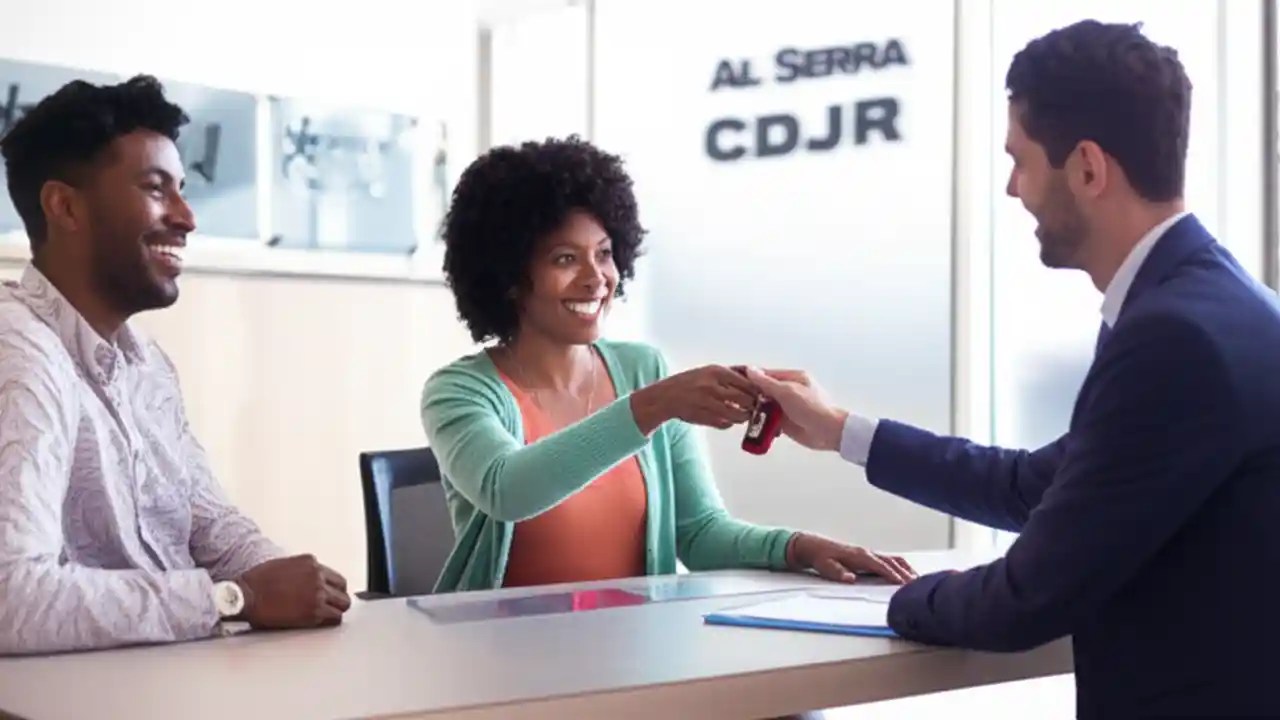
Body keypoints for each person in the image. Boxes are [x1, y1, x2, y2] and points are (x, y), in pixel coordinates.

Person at [744, 20, 1280, 719]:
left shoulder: (1173, 339)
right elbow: (1038, 484)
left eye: (1020, 159)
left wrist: (890, 600)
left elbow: (1024, 601)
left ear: (1087, 168)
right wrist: (842, 430)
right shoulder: (1225, 304)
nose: (1010, 188)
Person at [420, 136, 917, 595]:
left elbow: (699, 533)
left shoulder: (642, 368)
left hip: (634, 651)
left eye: (605, 254)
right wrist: (651, 407)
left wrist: (801, 548)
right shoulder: (459, 392)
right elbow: (508, 489)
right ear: (509, 278)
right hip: (497, 652)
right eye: (566, 259)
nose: (597, 279)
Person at [0, 76, 350, 656]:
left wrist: (292, 583)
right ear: (64, 206)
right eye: (156, 188)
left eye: (182, 189)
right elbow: (10, 598)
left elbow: (208, 522)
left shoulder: (146, 361)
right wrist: (233, 600)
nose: (187, 217)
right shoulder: (17, 352)